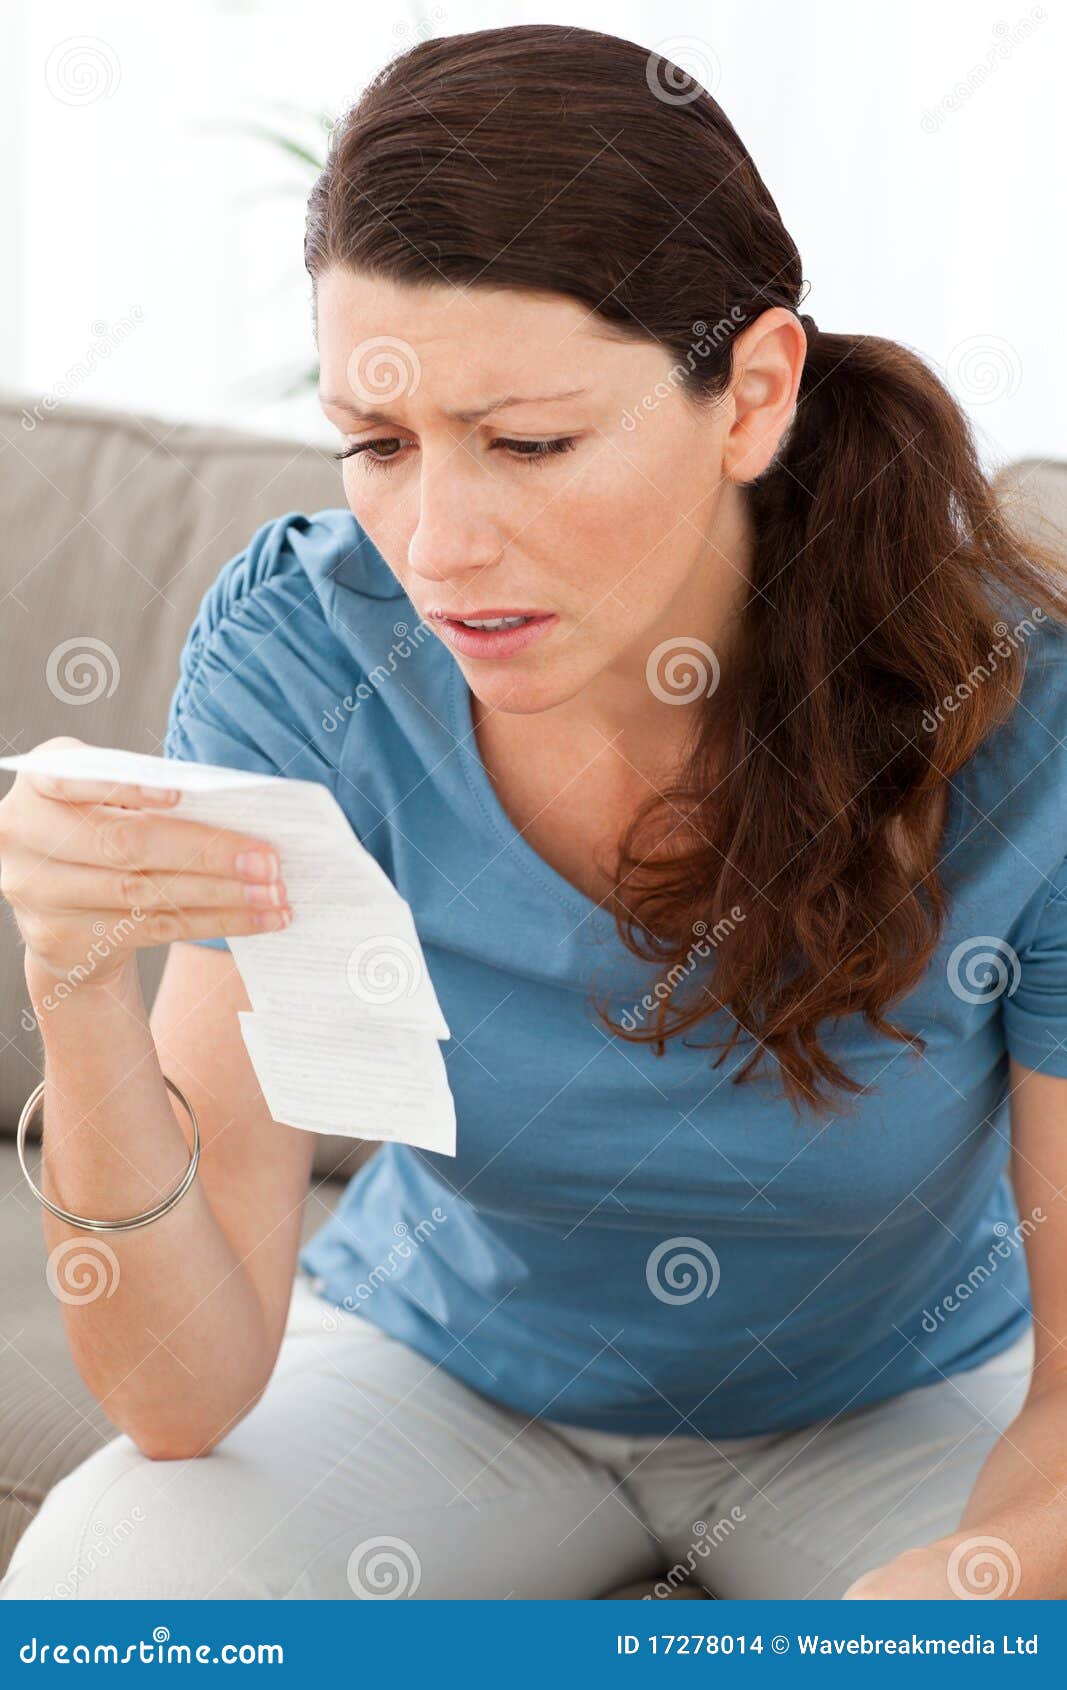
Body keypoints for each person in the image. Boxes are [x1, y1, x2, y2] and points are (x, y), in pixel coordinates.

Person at [1, 22, 1065, 1602]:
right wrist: (79, 980)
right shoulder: (308, 663)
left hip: (898, 1401)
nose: (439, 545)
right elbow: (181, 1392)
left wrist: (966, 1581)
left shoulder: (1014, 715)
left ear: (754, 392)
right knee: (108, 1592)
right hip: (449, 1376)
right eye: (379, 444)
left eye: (530, 443)